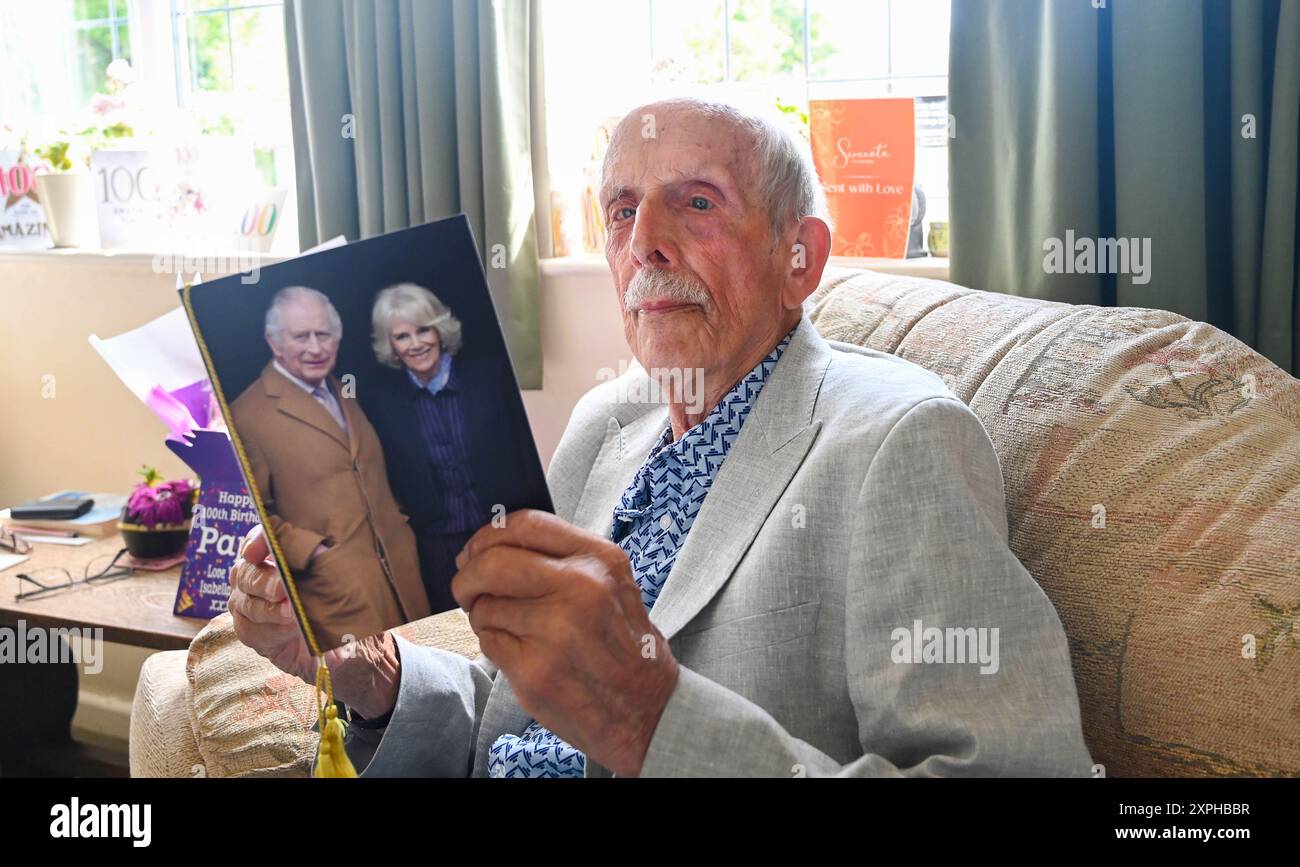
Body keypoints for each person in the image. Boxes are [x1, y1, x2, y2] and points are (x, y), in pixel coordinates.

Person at [230, 99, 1093, 777]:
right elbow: (515, 711)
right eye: (620, 211)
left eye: (698, 202)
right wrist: (372, 673)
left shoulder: (902, 440)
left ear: (801, 255)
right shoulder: (607, 425)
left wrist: (652, 720)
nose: (646, 244)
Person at [230, 286, 430, 649]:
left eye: (323, 335)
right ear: (274, 342)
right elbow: (255, 512)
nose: (315, 348)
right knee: (368, 696)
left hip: (404, 579)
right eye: (301, 336)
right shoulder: (245, 414)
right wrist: (314, 552)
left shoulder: (345, 389)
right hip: (335, 594)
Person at [364, 283, 535, 612]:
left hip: (502, 528)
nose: (416, 344)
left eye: (423, 330)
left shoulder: (492, 375)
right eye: (402, 336)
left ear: (440, 329)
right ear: (391, 345)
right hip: (434, 546)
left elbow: (525, 455)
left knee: (518, 616)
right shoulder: (381, 403)